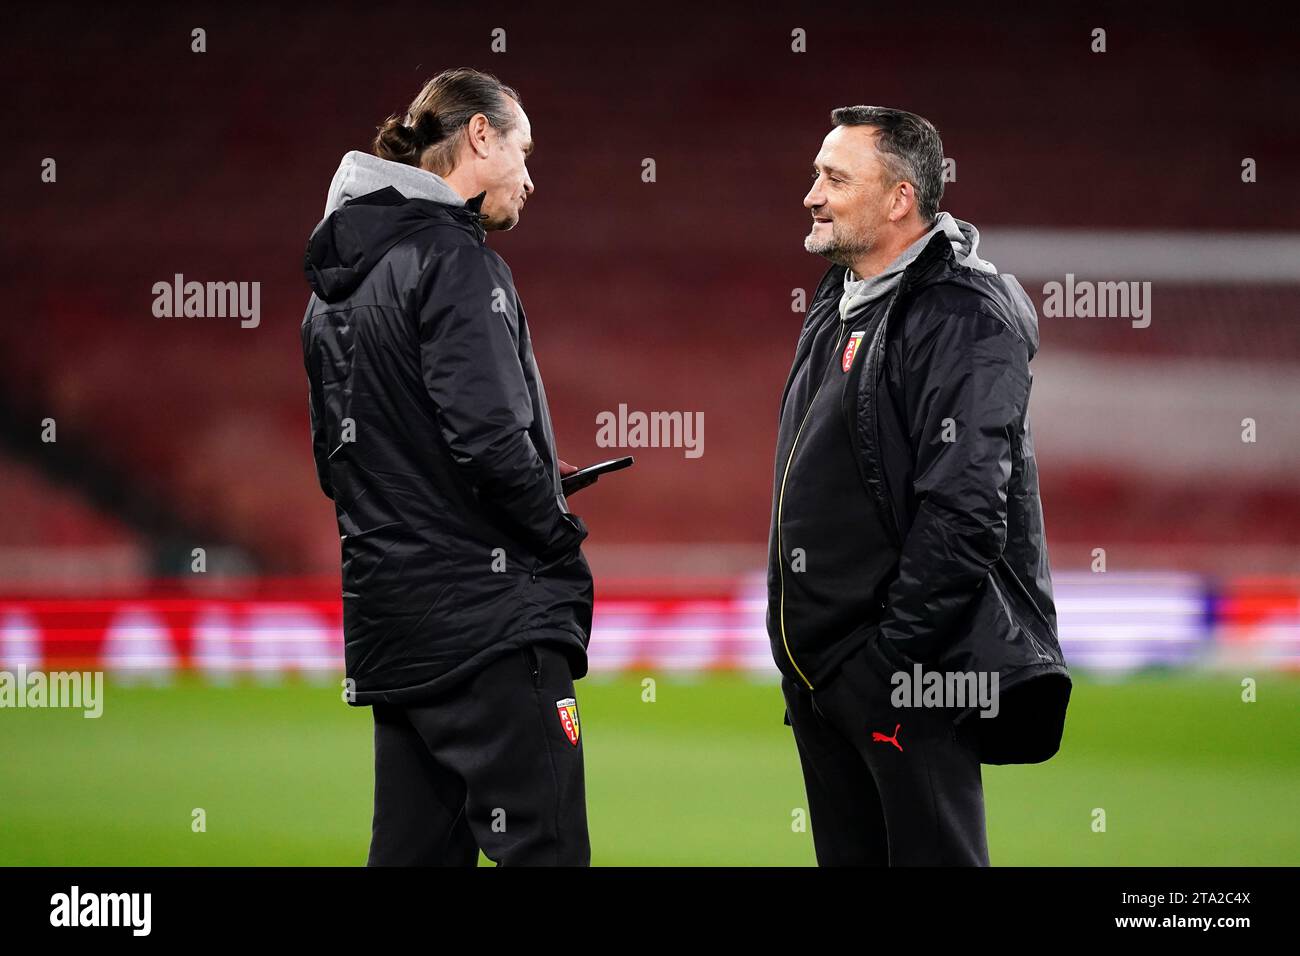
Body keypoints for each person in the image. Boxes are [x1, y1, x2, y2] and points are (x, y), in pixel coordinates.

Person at [301, 68, 594, 866]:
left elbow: (344, 465)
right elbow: (493, 446)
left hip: (394, 627)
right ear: (478, 136)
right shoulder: (455, 260)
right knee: (548, 850)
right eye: (522, 151)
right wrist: (559, 534)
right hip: (486, 620)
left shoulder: (333, 287)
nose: (530, 179)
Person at [767, 106, 1071, 866]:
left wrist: (896, 660)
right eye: (816, 174)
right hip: (823, 674)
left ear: (900, 198)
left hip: (910, 674)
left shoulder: (963, 311)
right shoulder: (839, 301)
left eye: (835, 178)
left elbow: (967, 507)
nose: (812, 193)